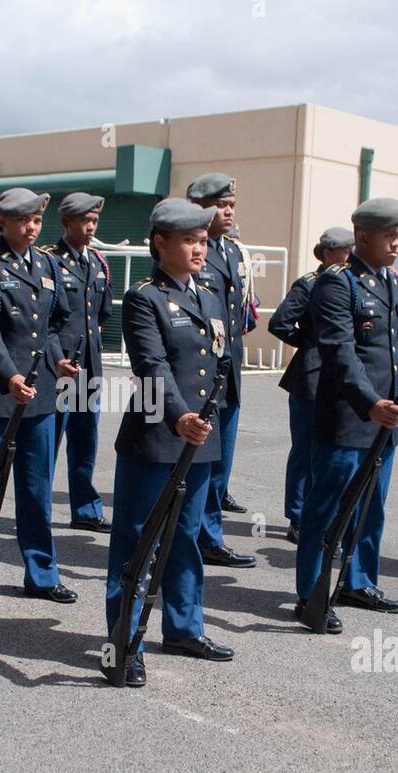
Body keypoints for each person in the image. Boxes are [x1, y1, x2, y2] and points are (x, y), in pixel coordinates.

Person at [103, 198, 236, 687]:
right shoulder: (145, 298)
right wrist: (180, 417)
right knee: (137, 540)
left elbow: (219, 362)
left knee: (186, 537)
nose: (201, 248)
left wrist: (207, 422)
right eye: (190, 240)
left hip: (201, 438)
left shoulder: (208, 294)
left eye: (204, 240)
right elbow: (151, 366)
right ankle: (122, 640)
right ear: (160, 243)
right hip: (157, 436)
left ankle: (184, 628)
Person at [0, 187, 77, 621]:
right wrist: (9, 376)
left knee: (36, 488)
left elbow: (55, 322)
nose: (31, 228)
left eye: (37, 221)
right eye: (23, 221)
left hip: (40, 393)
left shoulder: (47, 263)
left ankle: (41, 574)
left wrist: (60, 356)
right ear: (2, 223)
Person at [293, 197, 398, 633]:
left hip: (384, 418)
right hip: (348, 416)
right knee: (326, 510)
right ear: (363, 236)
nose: (396, 244)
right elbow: (339, 353)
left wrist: (389, 402)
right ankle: (312, 593)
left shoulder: (393, 283)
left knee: (370, 508)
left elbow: (394, 347)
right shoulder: (338, 283)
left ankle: (358, 582)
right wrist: (369, 403)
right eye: (389, 236)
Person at [187, 173, 255, 569]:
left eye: (231, 206)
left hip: (229, 371)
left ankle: (209, 536)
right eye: (222, 205)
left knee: (220, 461)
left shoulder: (231, 251)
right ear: (201, 207)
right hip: (199, 374)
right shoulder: (191, 248)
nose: (228, 212)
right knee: (196, 459)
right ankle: (190, 534)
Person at [268, 226, 353, 543]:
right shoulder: (310, 284)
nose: (349, 257)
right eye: (344, 251)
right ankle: (298, 517)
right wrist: (312, 344)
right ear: (328, 253)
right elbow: (280, 322)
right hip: (311, 379)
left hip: (341, 379)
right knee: (305, 450)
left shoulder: (351, 283)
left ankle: (327, 515)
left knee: (332, 451)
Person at [47, 191, 113, 533]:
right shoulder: (50, 262)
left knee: (86, 440)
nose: (90, 227)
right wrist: (58, 358)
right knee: (49, 442)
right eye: (85, 221)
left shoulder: (99, 263)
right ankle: (38, 508)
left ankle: (86, 509)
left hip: (89, 368)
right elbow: (44, 321)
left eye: (94, 221)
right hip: (60, 369)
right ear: (66, 223)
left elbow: (101, 315)